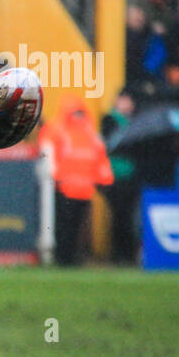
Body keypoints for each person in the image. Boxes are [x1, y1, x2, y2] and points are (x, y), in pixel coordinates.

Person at [39, 96, 113, 266]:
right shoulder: (59, 131)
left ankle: (70, 257)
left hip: (84, 190)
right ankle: (63, 257)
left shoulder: (89, 134)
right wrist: (53, 178)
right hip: (63, 188)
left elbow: (100, 160)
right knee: (64, 227)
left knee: (76, 228)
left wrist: (105, 181)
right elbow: (48, 155)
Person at [100, 92, 140, 264]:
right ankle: (118, 254)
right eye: (126, 100)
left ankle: (127, 254)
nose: (128, 104)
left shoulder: (135, 122)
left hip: (129, 177)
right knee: (119, 216)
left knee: (128, 217)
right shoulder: (109, 120)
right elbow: (110, 144)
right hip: (114, 176)